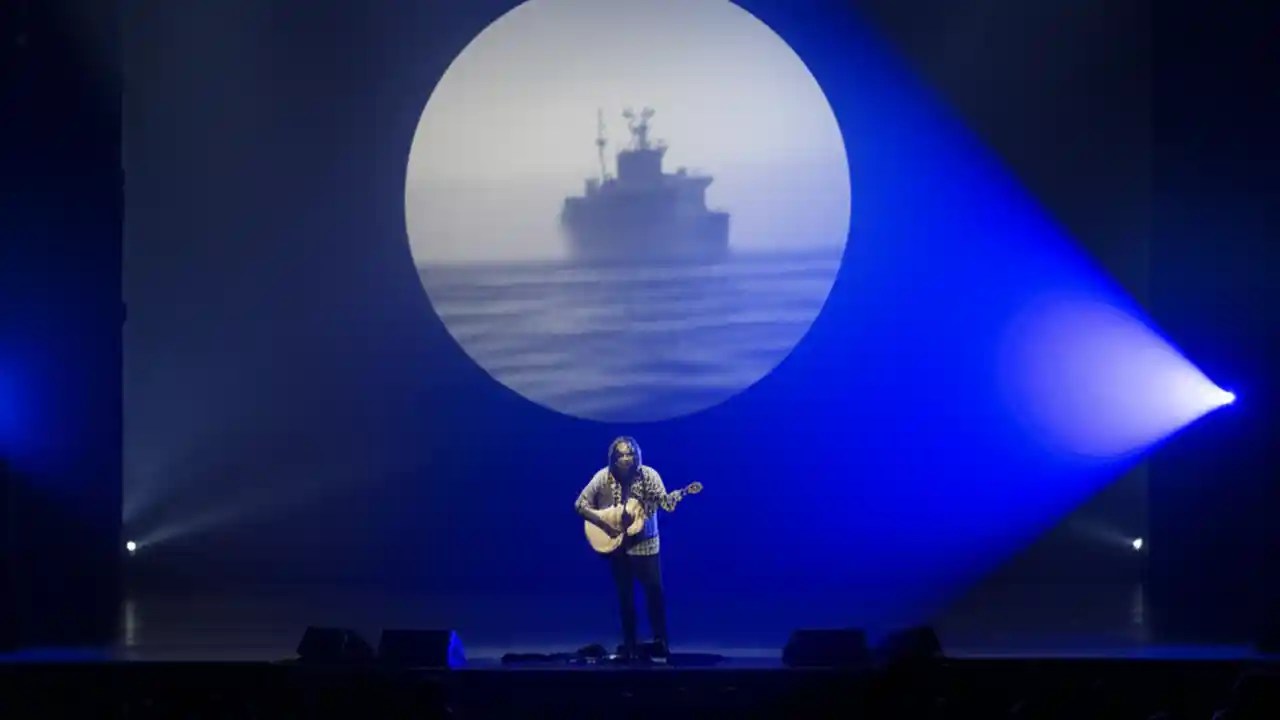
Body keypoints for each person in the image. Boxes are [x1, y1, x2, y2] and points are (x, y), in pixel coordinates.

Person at [575, 436, 681, 660]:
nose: (625, 459)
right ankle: (630, 645)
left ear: (637, 455)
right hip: (618, 545)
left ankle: (661, 644)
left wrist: (669, 501)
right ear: (613, 458)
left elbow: (664, 501)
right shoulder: (603, 477)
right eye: (620, 455)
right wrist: (604, 522)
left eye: (629, 454)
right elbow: (580, 504)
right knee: (625, 596)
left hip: (645, 544)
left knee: (654, 592)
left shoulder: (649, 476)